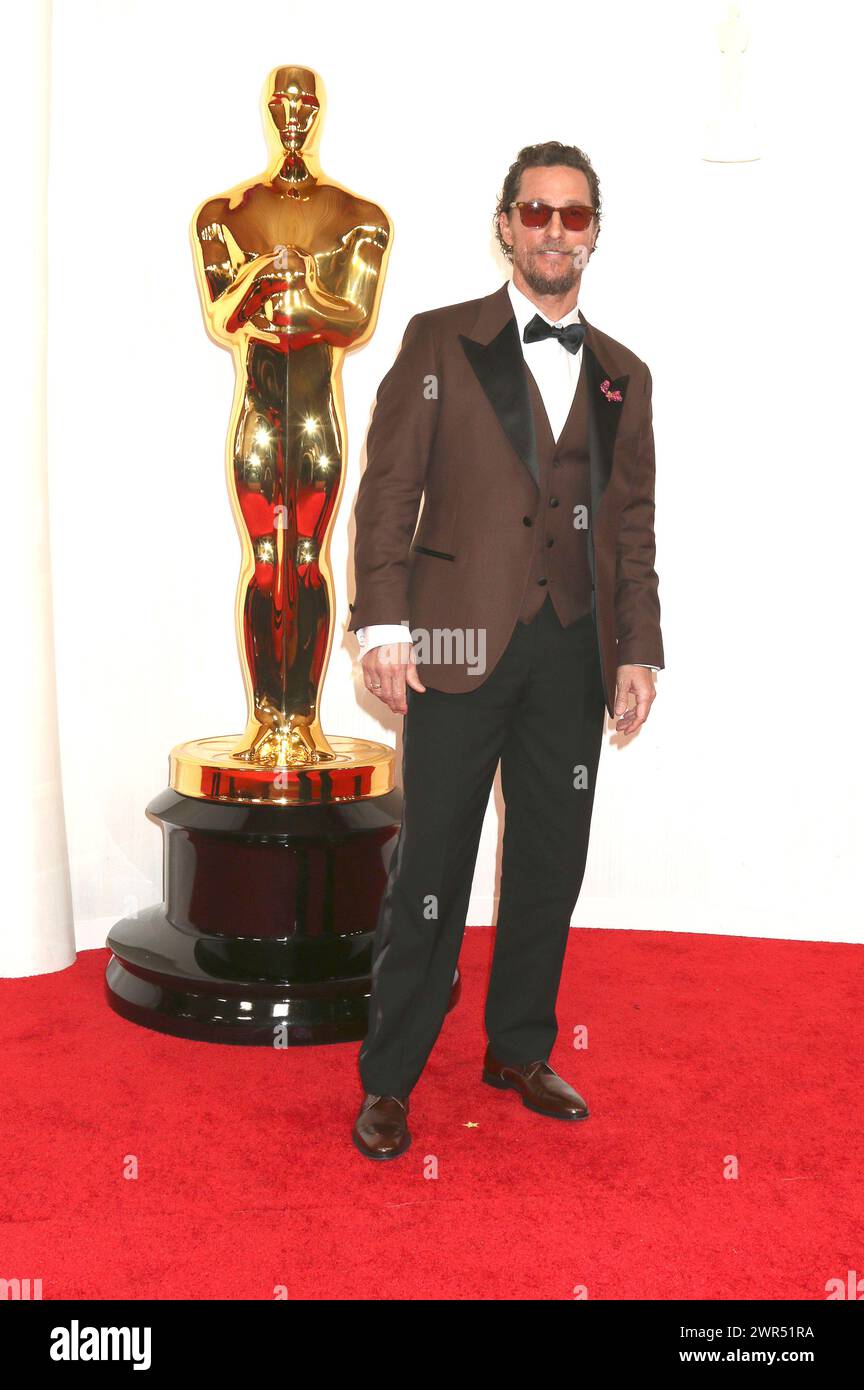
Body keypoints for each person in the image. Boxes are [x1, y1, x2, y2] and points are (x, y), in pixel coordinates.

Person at [347, 140, 664, 1160]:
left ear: (595, 233)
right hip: (448, 639)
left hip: (572, 647)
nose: (555, 231)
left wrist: (638, 650)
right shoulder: (440, 342)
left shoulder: (625, 376)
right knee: (430, 860)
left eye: (574, 216)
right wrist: (383, 624)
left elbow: (631, 525)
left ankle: (519, 1045)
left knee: (547, 860)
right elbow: (388, 490)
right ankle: (390, 1077)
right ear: (506, 225)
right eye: (537, 212)